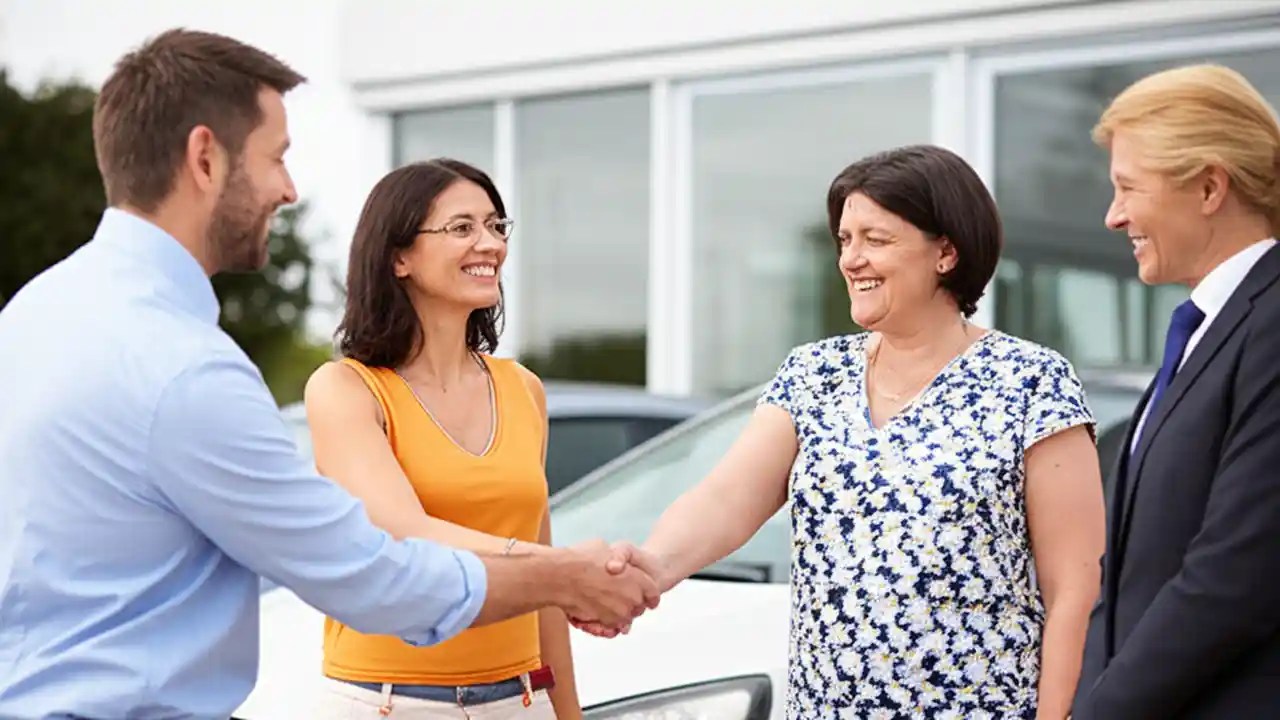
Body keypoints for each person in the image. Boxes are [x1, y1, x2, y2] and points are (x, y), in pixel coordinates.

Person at [0, 29, 655, 719]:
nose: (287, 190)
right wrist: (565, 576)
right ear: (204, 159)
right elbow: (371, 572)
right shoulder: (185, 369)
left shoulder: (30, 319)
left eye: (495, 226)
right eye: (275, 158)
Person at [585, 145, 1106, 718]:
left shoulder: (1030, 381)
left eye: (875, 240)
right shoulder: (814, 373)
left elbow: (1073, 588)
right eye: (844, 240)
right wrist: (651, 568)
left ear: (947, 253)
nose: (851, 260)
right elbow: (726, 499)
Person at [301, 159, 580, 717]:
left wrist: (567, 712)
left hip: (519, 701)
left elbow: (543, 594)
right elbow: (406, 533)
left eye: (497, 226)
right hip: (387, 702)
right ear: (398, 257)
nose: (490, 244)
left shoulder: (523, 389)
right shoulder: (345, 389)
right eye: (462, 228)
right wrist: (569, 572)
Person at [1072, 64, 1280, 720]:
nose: (1113, 217)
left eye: (1128, 187)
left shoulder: (1272, 321)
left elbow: (1234, 575)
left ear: (1210, 186)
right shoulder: (1206, 329)